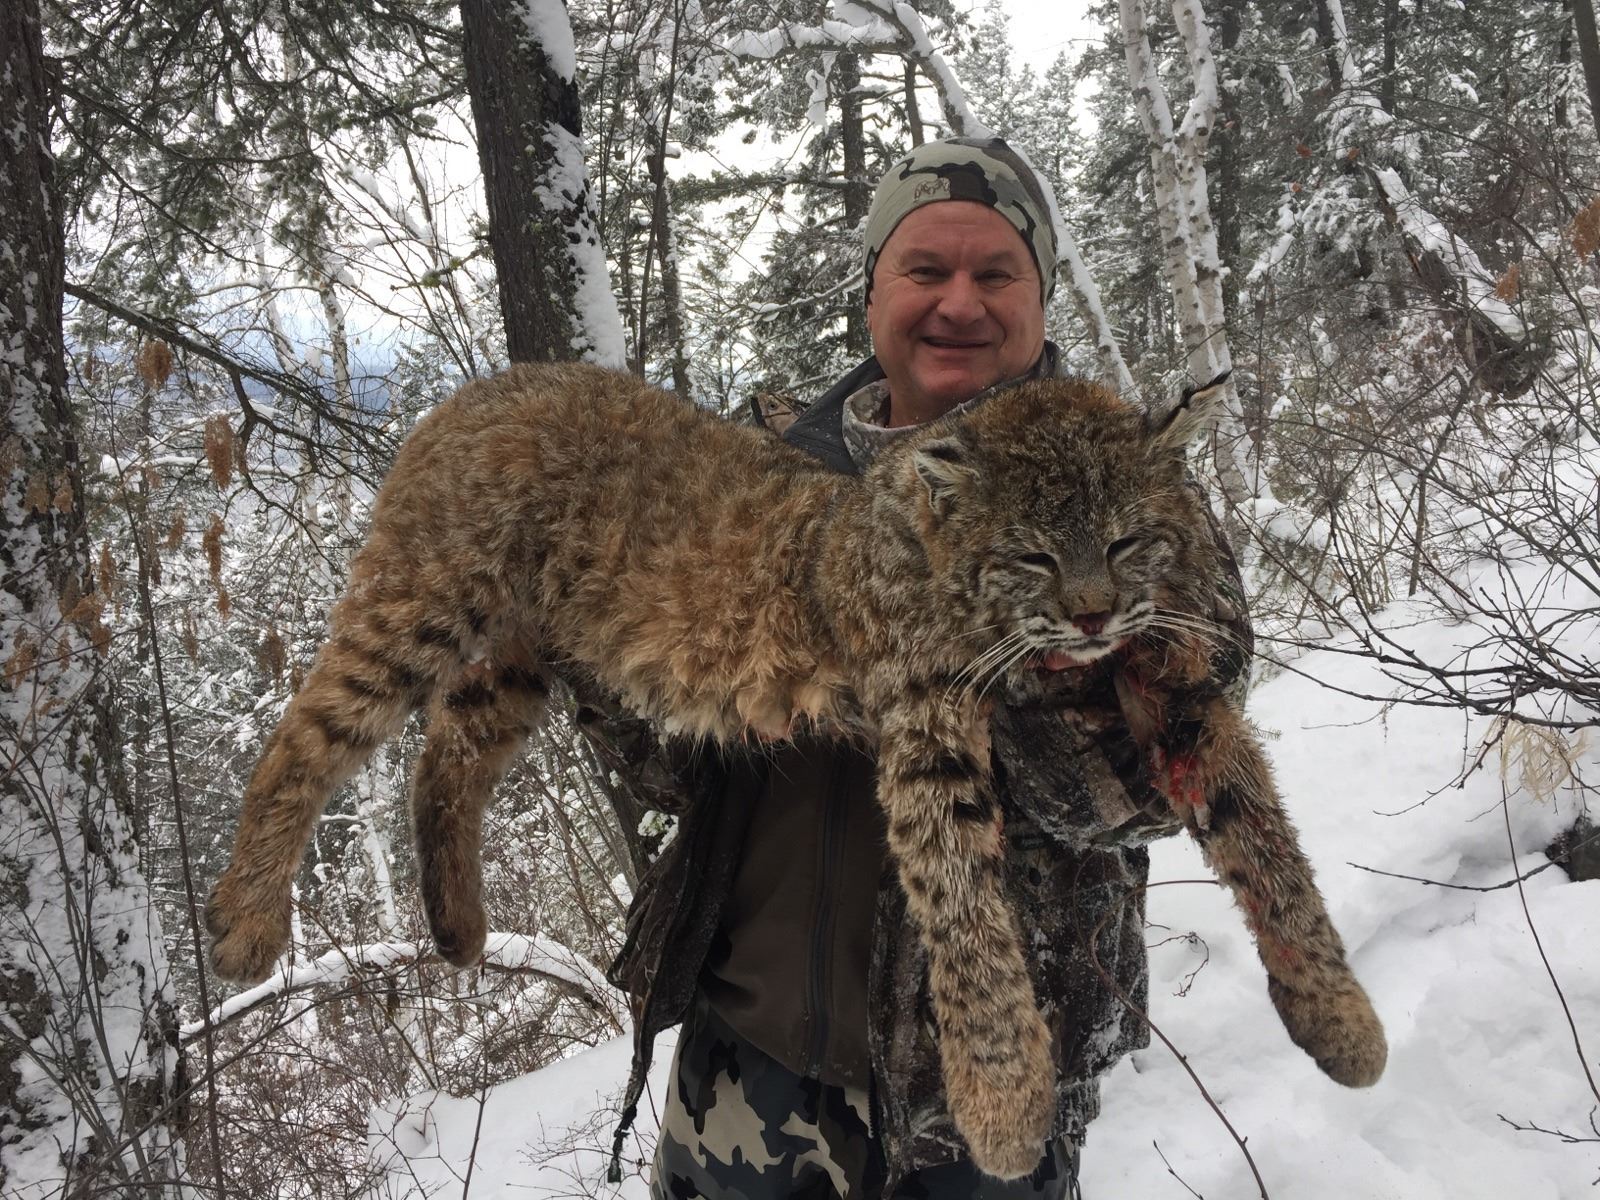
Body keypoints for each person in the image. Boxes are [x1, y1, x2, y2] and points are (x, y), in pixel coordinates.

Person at [593, 136, 1253, 1200]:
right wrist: (597, 647)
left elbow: (1140, 785)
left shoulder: (1127, 486)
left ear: (1039, 300)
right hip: (741, 1060)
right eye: (924, 270)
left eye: (997, 272)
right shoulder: (763, 475)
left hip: (981, 1098)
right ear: (871, 299)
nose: (961, 302)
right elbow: (667, 763)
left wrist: (906, 637)